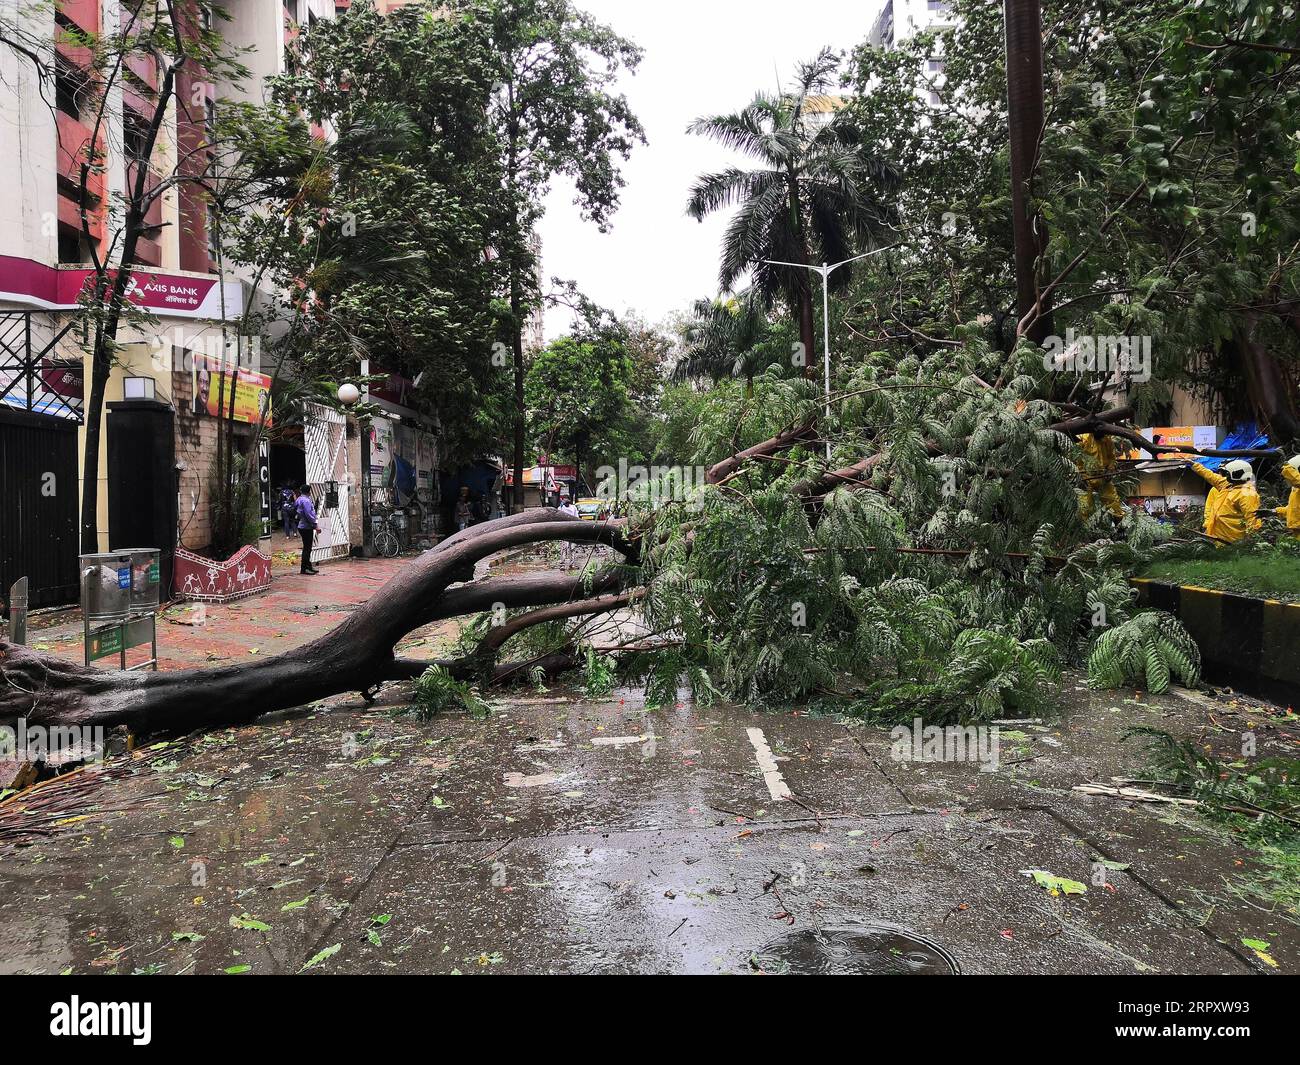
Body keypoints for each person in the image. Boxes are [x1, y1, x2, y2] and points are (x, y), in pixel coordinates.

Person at [1186, 459, 1260, 544]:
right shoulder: (1227, 485)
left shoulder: (1248, 495)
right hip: (1216, 536)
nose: (1226, 476)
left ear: (1236, 474)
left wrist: (1248, 541)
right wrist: (1194, 465)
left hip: (1231, 540)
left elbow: (1252, 520)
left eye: (1228, 473)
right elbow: (1210, 476)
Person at [1076, 432, 1125, 520]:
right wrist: (1081, 476)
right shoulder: (1083, 438)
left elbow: (1112, 458)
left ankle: (1120, 528)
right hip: (1086, 478)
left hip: (1103, 477)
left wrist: (1110, 470)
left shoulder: (1107, 439)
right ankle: (1084, 529)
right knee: (1084, 507)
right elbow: (1076, 459)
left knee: (1114, 503)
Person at [294, 485, 321, 574]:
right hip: (306, 527)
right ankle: (304, 569)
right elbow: (309, 514)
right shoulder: (306, 501)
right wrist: (315, 525)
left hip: (302, 525)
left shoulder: (299, 499)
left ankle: (308, 566)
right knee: (307, 549)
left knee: (307, 548)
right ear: (309, 491)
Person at [1277, 454, 1300, 537]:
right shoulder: (1296, 490)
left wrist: (1286, 466)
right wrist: (1274, 511)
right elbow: (1294, 509)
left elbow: (1297, 481)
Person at [558, 497, 579, 570]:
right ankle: (562, 564)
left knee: (573, 548)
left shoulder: (573, 508)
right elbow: (558, 517)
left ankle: (572, 564)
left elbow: (576, 518)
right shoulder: (561, 508)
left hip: (573, 530)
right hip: (564, 530)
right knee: (564, 548)